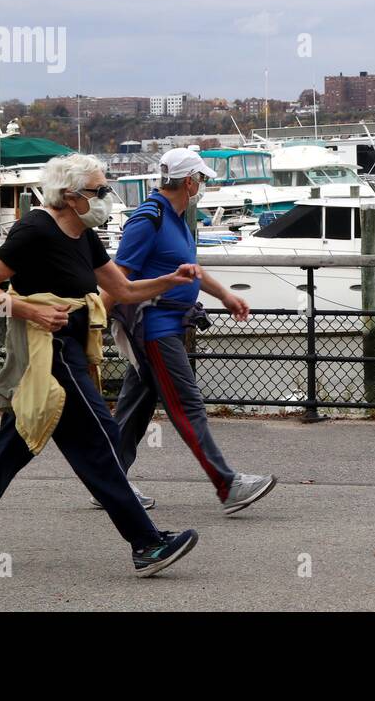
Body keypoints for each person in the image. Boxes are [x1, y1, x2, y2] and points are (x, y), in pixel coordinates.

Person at [0, 153, 202, 578]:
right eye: (100, 191)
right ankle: (146, 543)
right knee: (100, 439)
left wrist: (172, 280)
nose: (107, 197)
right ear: (71, 196)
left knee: (17, 441)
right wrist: (28, 311)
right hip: (49, 349)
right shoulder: (36, 229)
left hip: (70, 345)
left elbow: (124, 290)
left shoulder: (85, 235)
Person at [103, 147, 276, 516]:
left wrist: (225, 295)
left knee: (136, 407)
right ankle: (227, 485)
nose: (202, 184)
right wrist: (92, 325)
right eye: (200, 178)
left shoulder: (173, 216)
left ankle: (107, 482)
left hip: (165, 324)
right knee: (187, 405)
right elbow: (119, 278)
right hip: (153, 328)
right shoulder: (148, 218)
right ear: (188, 181)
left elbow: (189, 269)